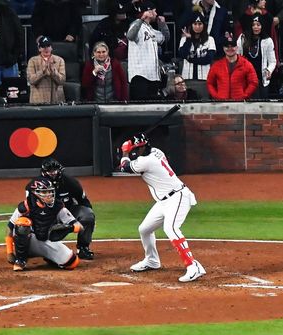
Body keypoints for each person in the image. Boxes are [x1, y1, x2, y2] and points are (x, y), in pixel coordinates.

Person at [118, 133, 206, 283]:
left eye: (136, 150)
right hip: (164, 201)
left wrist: (124, 152)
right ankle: (152, 260)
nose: (135, 152)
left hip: (177, 198)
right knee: (144, 229)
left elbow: (124, 167)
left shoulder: (145, 161)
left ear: (141, 148)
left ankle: (193, 266)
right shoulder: (156, 151)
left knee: (171, 229)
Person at [5, 177, 84, 272]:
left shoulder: (58, 207)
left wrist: (70, 228)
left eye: (50, 192)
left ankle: (50, 258)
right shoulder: (26, 206)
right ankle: (21, 260)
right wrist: (9, 252)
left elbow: (78, 226)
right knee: (22, 223)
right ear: (35, 194)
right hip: (30, 242)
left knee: (72, 263)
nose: (49, 195)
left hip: (48, 241)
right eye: (44, 192)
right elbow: (10, 227)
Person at [40, 158, 97, 261]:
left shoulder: (70, 182)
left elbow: (83, 200)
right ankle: (45, 251)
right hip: (48, 216)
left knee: (87, 215)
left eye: (55, 170)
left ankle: (83, 248)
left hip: (69, 212)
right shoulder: (38, 185)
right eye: (50, 171)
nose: (53, 173)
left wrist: (91, 221)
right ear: (44, 172)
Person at [127, 1, 168, 101]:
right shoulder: (136, 25)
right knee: (140, 108)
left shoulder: (151, 30)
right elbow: (130, 35)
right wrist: (141, 19)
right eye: (154, 11)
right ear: (148, 12)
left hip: (153, 75)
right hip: (139, 75)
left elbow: (165, 38)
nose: (156, 14)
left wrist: (162, 24)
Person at [207, 32, 258, 100]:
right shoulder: (216, 65)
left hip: (240, 103)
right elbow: (210, 83)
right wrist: (217, 96)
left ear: (237, 47)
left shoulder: (246, 64)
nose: (230, 48)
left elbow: (253, 82)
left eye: (232, 46)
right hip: (221, 103)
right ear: (223, 48)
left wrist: (244, 95)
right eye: (227, 46)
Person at [239, 15, 276, 98]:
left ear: (262, 26)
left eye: (258, 25)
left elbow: (272, 61)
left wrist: (269, 70)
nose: (256, 27)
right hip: (246, 78)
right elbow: (237, 56)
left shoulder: (268, 40)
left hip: (261, 77)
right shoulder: (242, 38)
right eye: (253, 25)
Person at [27, 36, 66, 104]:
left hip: (56, 99)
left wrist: (53, 71)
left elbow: (62, 81)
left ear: (51, 48)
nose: (46, 48)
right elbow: (31, 80)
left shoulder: (59, 60)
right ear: (39, 49)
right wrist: (43, 71)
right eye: (43, 46)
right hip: (38, 100)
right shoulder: (32, 60)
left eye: (48, 46)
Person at [177, 14, 217, 81]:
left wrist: (190, 59)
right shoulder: (184, 39)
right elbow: (182, 54)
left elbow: (208, 59)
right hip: (187, 77)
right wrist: (189, 39)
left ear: (204, 25)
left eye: (200, 24)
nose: (197, 26)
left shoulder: (210, 39)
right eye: (195, 24)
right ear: (191, 25)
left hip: (205, 77)